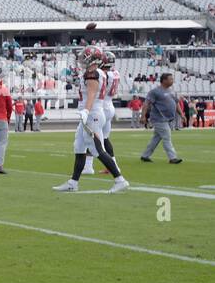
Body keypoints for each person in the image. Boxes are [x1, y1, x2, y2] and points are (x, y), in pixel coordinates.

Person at [53, 46, 128, 193]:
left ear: (93, 58)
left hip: (92, 114)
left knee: (96, 149)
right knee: (79, 146)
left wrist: (86, 111)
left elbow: (92, 94)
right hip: (95, 112)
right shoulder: (101, 72)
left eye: (85, 57)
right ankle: (73, 182)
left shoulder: (92, 73)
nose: (81, 60)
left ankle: (120, 179)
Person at [139, 73, 183, 164]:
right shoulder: (155, 91)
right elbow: (146, 103)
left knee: (156, 139)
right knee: (167, 136)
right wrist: (143, 116)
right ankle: (172, 158)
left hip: (168, 119)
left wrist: (182, 114)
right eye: (170, 79)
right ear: (164, 80)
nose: (172, 81)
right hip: (159, 119)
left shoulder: (171, 91)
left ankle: (145, 156)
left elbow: (176, 102)